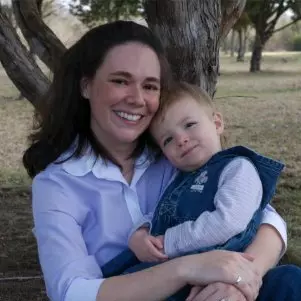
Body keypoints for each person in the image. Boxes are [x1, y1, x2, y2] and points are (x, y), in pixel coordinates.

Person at [22, 20, 301, 301]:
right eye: (120, 81)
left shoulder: (176, 155)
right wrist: (187, 268)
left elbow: (266, 218)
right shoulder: (57, 184)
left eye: (150, 86)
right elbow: (70, 292)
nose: (137, 98)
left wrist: (238, 281)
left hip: (216, 291)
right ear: (86, 86)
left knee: (291, 282)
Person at [101, 81, 285, 299]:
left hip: (223, 265)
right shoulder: (178, 179)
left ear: (217, 123)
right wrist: (140, 233)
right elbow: (161, 212)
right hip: (176, 271)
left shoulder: (238, 168)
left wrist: (168, 242)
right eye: (168, 139)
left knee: (289, 281)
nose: (181, 139)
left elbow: (229, 221)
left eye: (189, 125)